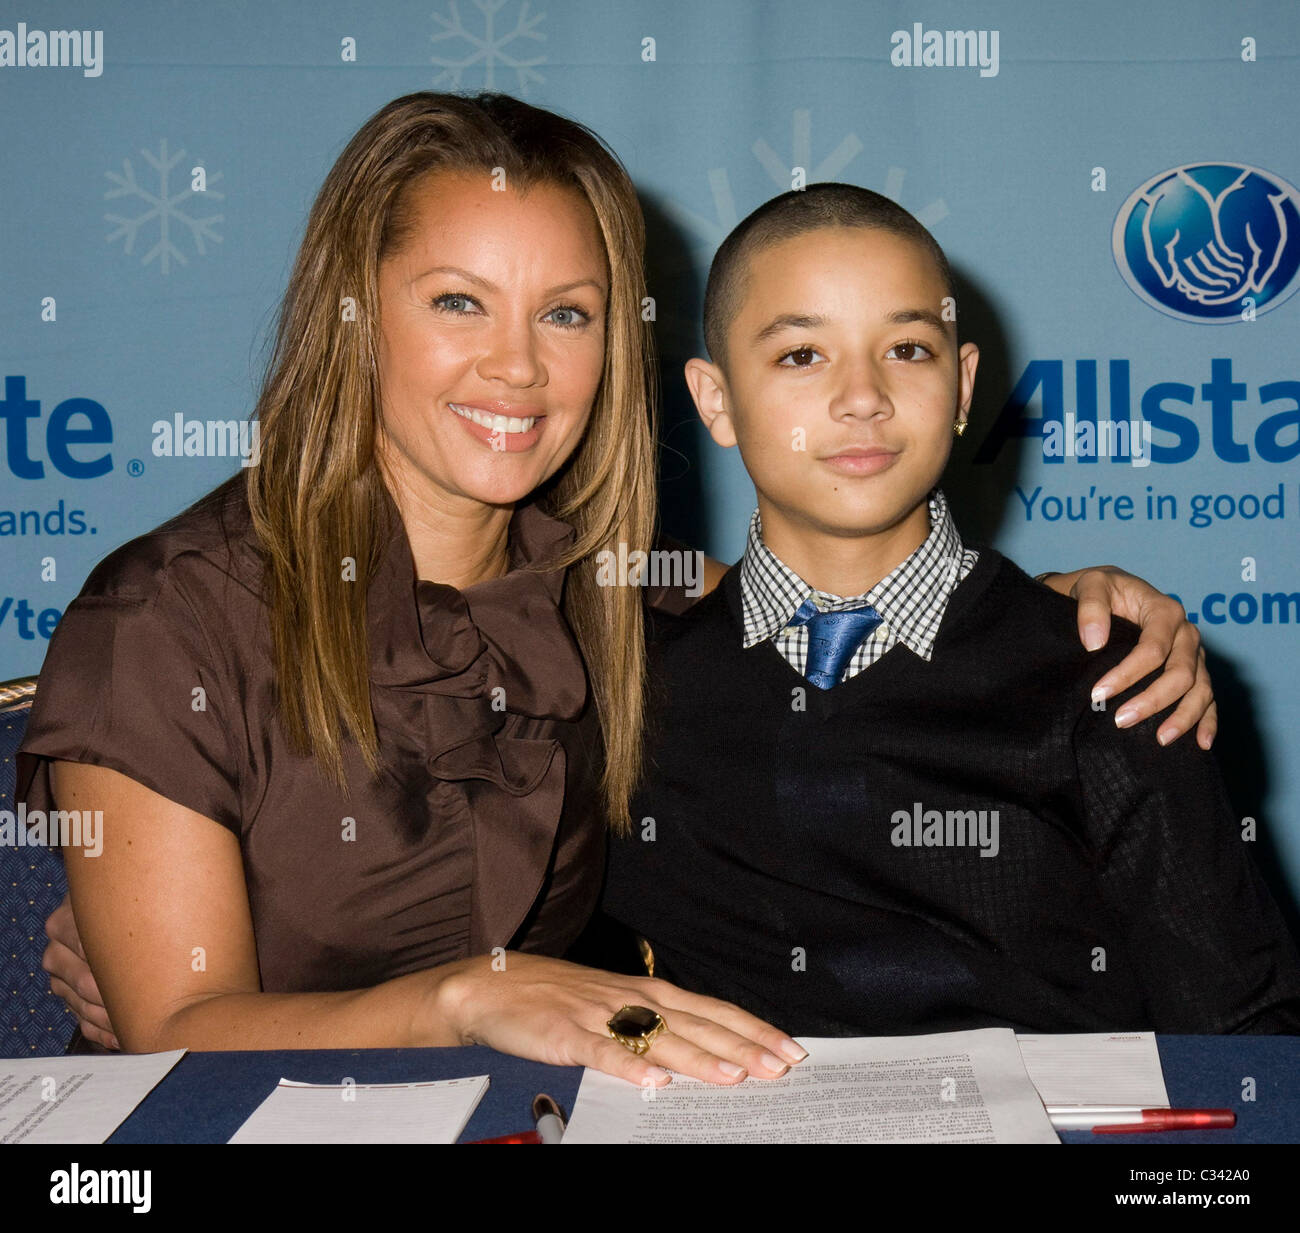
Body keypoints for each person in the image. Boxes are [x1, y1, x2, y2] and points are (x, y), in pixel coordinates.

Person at [27, 96, 1216, 1079]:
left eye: (568, 314)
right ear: (354, 319)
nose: (518, 365)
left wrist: (1072, 615)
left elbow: (847, 593)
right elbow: (174, 1037)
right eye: (457, 302)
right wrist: (463, 998)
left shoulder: (616, 598)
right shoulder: (163, 622)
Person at [601, 183, 1300, 1038]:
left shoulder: (1108, 676)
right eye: (801, 356)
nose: (864, 396)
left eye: (906, 348)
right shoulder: (624, 683)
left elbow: (1246, 1041)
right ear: (715, 400)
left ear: (964, 384)